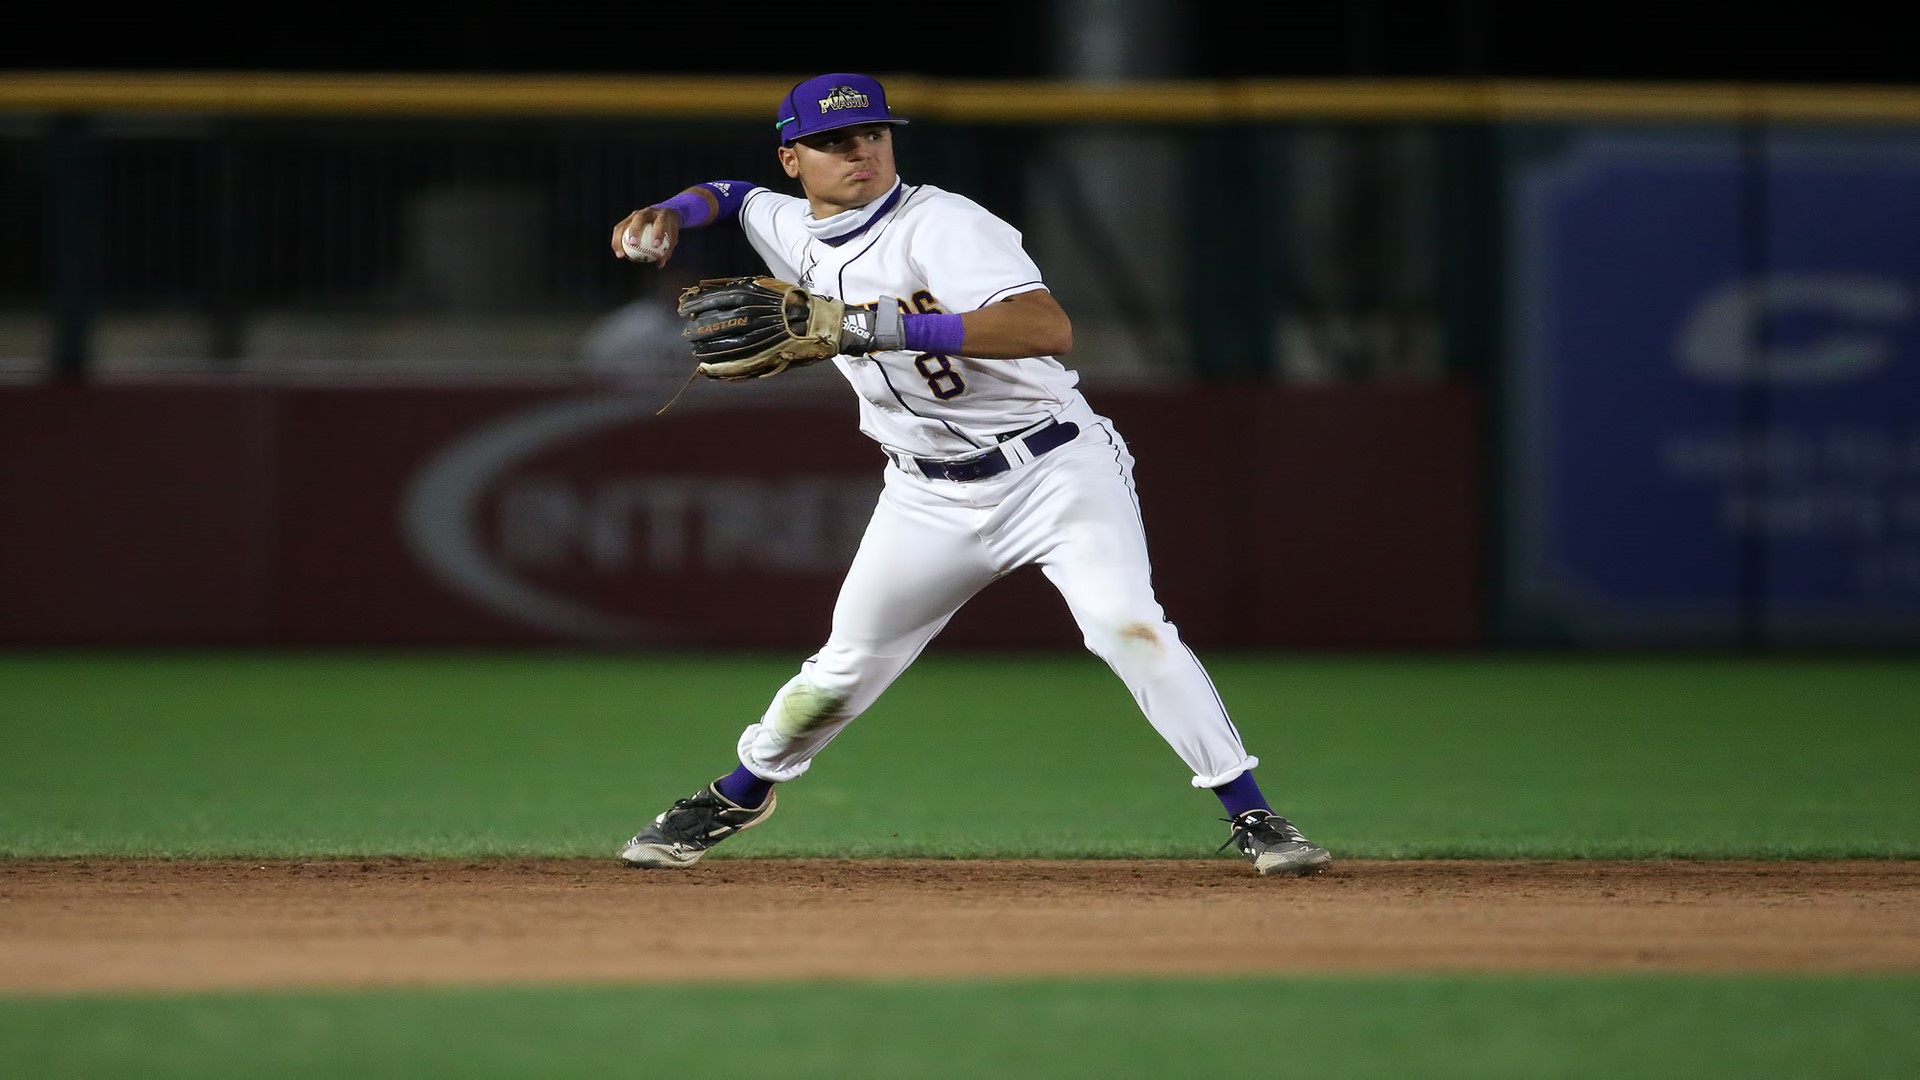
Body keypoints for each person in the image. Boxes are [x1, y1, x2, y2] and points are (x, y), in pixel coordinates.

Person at [606, 73, 1332, 877]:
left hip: (1053, 468)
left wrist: (866, 326)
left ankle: (1254, 813)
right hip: (924, 493)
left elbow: (1044, 326)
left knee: (1128, 627)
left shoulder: (945, 223)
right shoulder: (786, 223)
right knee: (844, 668)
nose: (861, 152)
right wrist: (672, 211)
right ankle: (739, 793)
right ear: (793, 158)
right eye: (835, 142)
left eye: (874, 135)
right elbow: (732, 195)